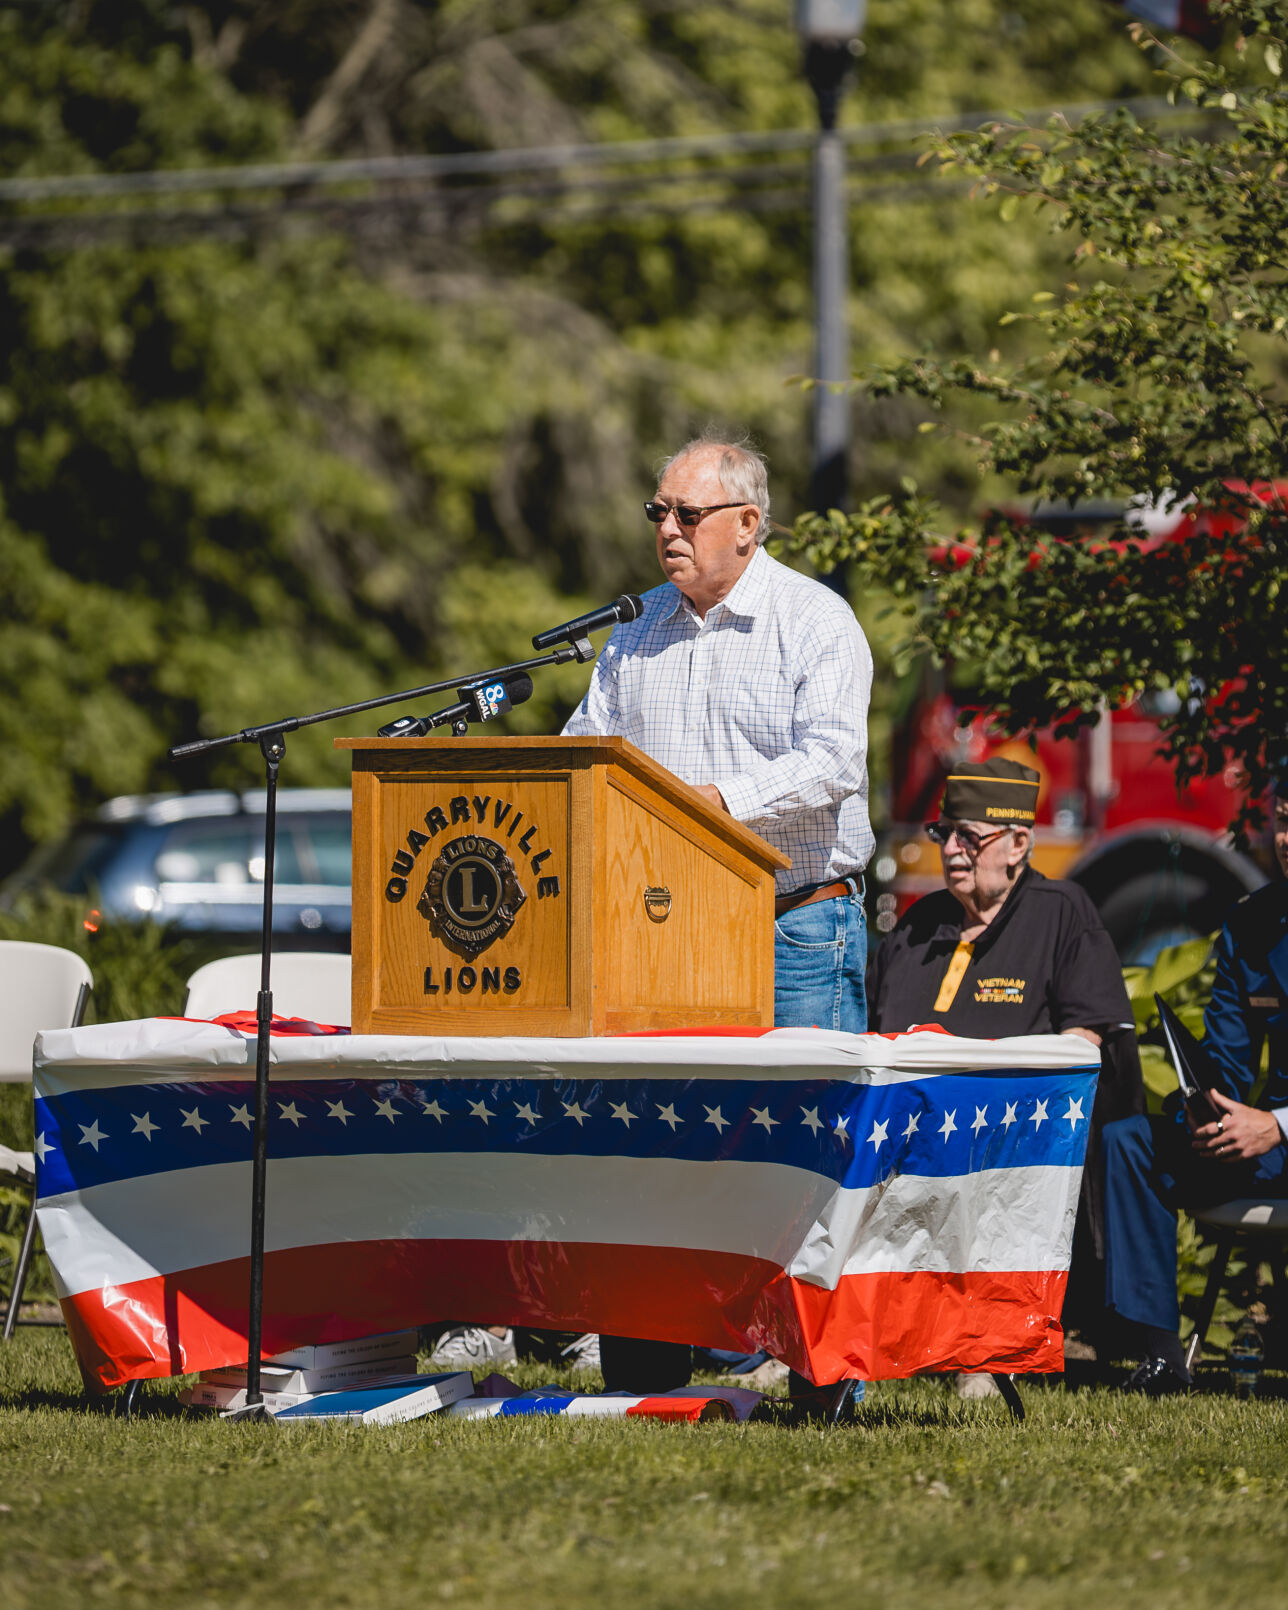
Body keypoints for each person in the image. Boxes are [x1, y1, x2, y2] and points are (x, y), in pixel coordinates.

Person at [563, 431, 875, 1399]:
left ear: (747, 524)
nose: (666, 529)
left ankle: (822, 1385)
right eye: (656, 511)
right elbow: (586, 747)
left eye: (685, 514)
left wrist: (713, 801)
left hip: (794, 926)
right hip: (658, 935)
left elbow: (832, 764)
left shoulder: (812, 620)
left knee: (804, 1160)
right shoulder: (636, 627)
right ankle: (650, 1373)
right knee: (655, 1156)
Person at [867, 756, 1145, 1382]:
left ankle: (985, 1347)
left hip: (1015, 1132)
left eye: (972, 836)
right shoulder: (917, 926)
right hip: (910, 1127)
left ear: (1019, 842)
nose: (954, 851)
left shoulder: (1061, 913)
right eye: (946, 835)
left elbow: (1085, 1044)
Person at [1102, 787, 1288, 1394]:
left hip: (1281, 1133)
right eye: (1283, 823)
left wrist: (1279, 1124)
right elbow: (1229, 1059)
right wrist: (1205, 1108)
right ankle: (1160, 1359)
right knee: (1130, 1143)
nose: (1286, 840)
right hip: (1265, 1143)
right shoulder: (1253, 921)